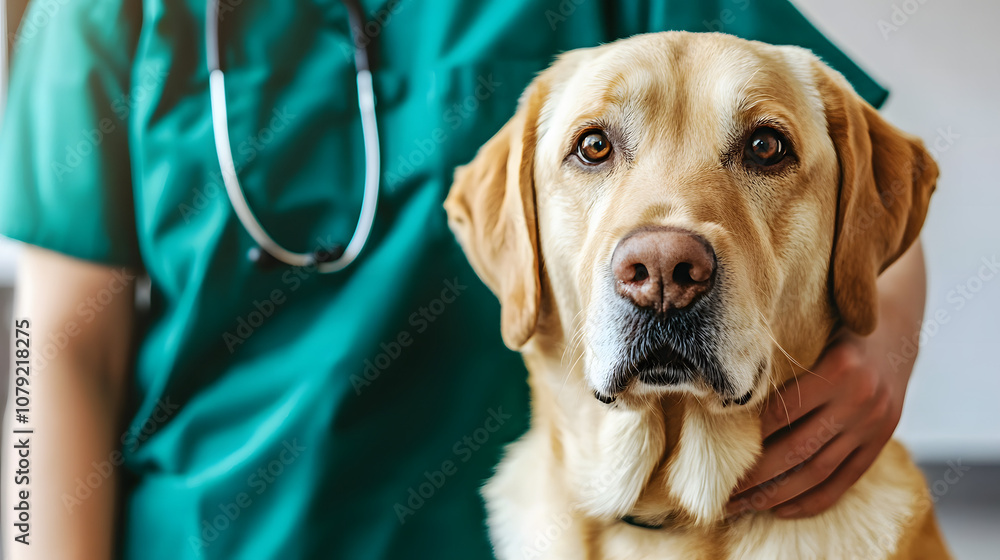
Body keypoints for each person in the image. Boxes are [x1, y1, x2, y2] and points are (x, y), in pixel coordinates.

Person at [0, 0, 926, 558]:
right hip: (205, 540)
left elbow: (839, 165)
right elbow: (52, 351)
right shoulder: (96, 16)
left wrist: (882, 349)